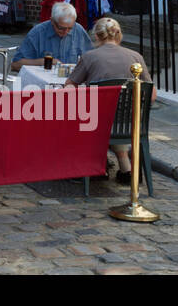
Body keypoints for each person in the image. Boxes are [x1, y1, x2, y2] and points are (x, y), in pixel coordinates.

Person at [65, 16, 155, 183]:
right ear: (118, 35)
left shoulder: (89, 57)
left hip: (98, 123)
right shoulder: (136, 57)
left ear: (97, 36)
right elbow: (151, 94)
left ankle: (93, 166)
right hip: (131, 123)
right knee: (115, 115)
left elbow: (69, 87)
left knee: (77, 117)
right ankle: (125, 167)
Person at [11, 1, 92, 71]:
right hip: (43, 85)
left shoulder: (78, 30)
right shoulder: (38, 33)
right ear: (52, 21)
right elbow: (15, 64)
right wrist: (43, 62)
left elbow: (91, 60)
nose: (66, 32)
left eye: (70, 28)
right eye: (61, 28)